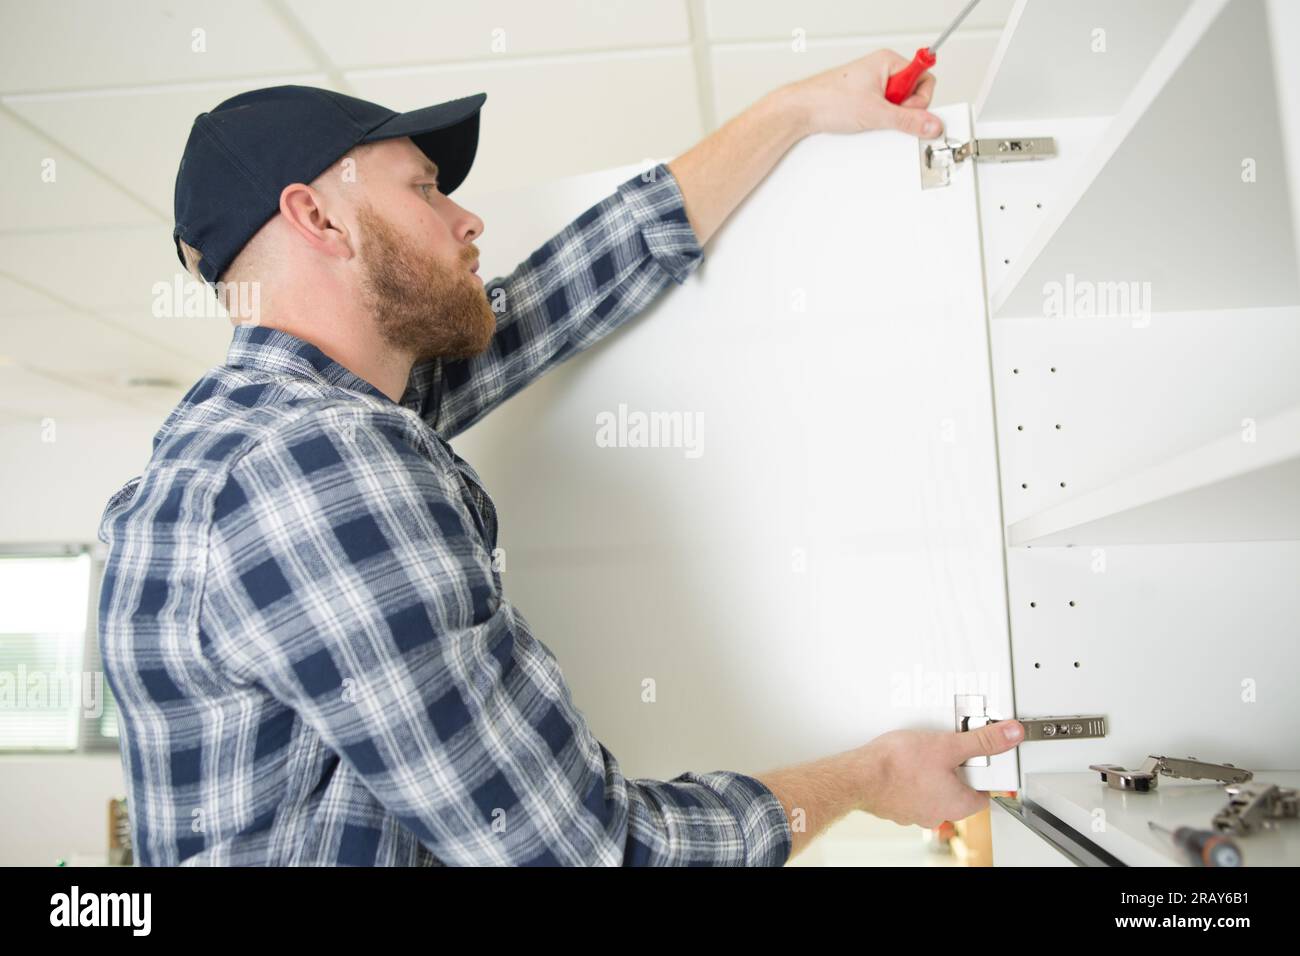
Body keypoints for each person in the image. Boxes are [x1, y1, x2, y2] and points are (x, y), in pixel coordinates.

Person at [98, 49, 1023, 866]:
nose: (467, 221)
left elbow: (544, 303)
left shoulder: (244, 443)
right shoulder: (314, 465)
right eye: (423, 189)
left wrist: (796, 110)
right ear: (320, 220)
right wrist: (869, 777)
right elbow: (587, 854)